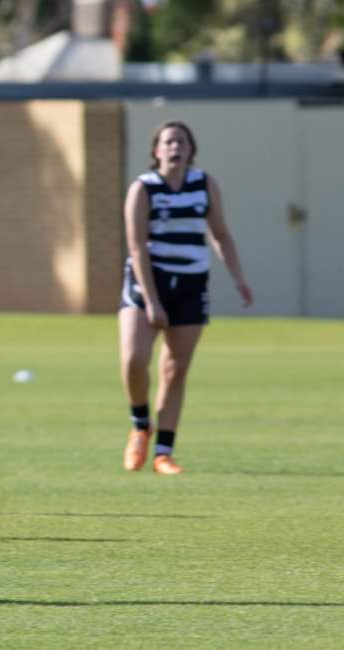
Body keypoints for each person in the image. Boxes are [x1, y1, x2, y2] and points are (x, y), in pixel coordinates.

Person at [119, 120, 254, 475]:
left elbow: (221, 234)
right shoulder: (143, 189)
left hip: (191, 284)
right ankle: (139, 425)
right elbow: (136, 248)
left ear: (191, 149)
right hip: (148, 284)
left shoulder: (204, 185)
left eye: (182, 142)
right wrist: (152, 301)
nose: (175, 148)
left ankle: (163, 453)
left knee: (175, 369)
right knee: (135, 359)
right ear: (156, 151)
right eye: (168, 142)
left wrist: (239, 279)